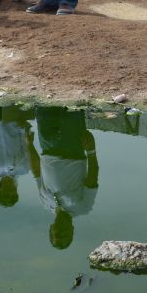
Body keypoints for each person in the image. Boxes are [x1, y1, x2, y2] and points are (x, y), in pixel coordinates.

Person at [34, 106, 98, 249]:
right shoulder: (83, 208)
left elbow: (37, 173)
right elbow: (92, 179)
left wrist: (29, 144)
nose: (61, 231)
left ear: (51, 229)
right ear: (72, 231)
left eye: (57, 234)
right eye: (65, 234)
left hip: (46, 146)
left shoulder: (45, 203)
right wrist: (91, 151)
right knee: (72, 106)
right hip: (73, 148)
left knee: (44, 105)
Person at [0, 105, 40, 207]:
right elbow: (25, 144)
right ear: (16, 191)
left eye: (6, 195)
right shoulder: (23, 169)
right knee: (11, 96)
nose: (9, 192)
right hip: (13, 121)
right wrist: (23, 128)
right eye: (12, 195)